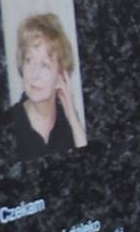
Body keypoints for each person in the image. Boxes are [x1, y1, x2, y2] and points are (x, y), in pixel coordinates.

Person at [7, 12, 86, 160]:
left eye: (45, 64)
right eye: (29, 60)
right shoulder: (10, 122)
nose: (34, 74)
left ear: (60, 76)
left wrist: (73, 118)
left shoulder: (68, 122)